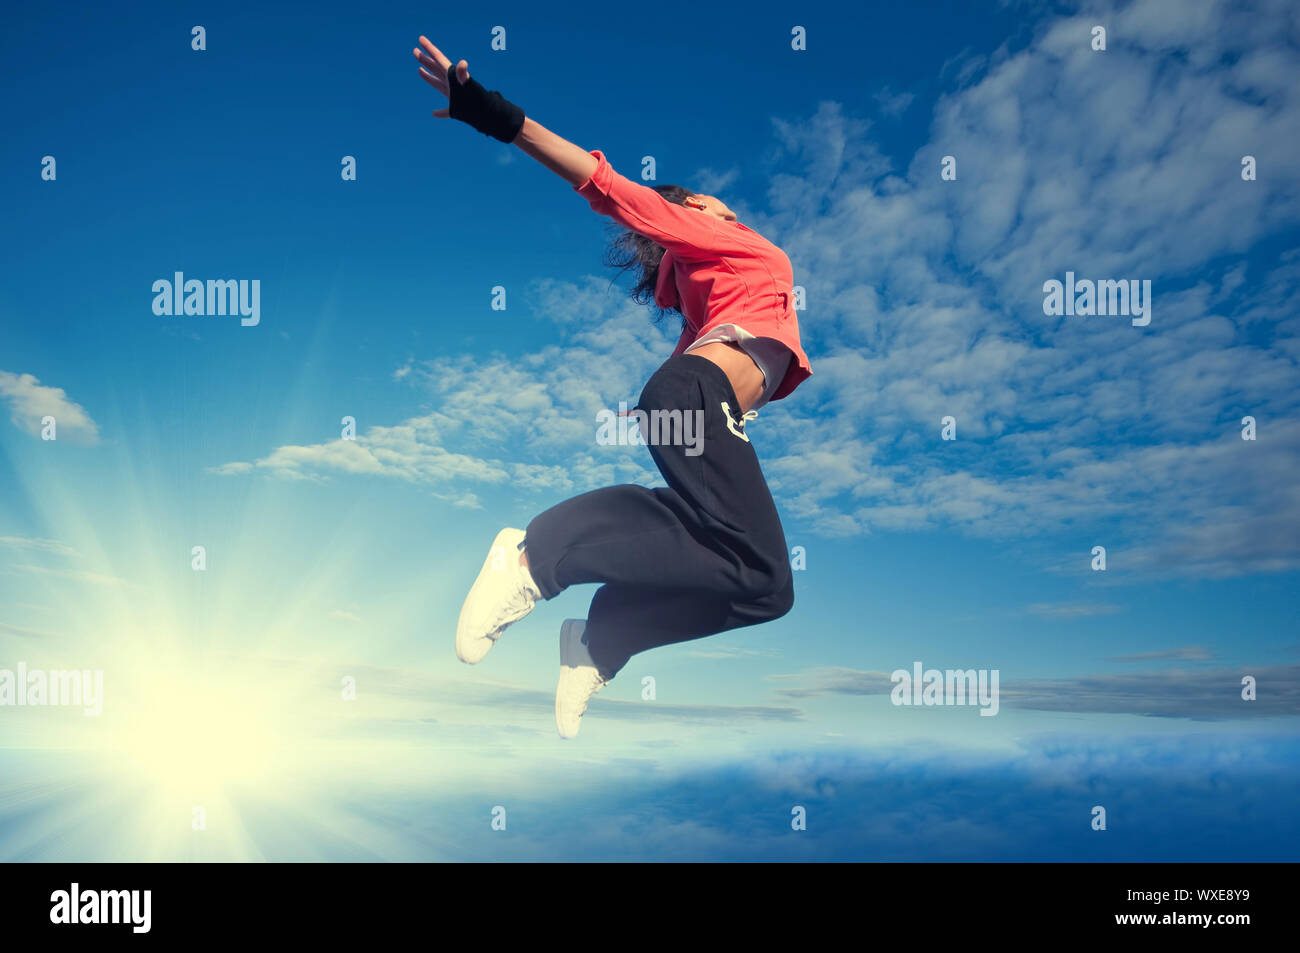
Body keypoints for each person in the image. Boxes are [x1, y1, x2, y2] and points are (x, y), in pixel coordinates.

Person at [413, 37, 813, 738]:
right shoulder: (725, 239)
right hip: (692, 396)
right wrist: (499, 117)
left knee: (767, 585)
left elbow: (689, 373)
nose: (728, 205)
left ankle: (604, 638)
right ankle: (533, 556)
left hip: (690, 402)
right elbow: (609, 188)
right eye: (713, 202)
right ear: (696, 210)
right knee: (751, 559)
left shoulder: (704, 307)